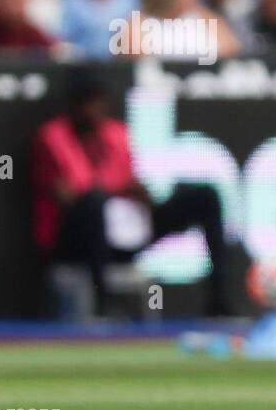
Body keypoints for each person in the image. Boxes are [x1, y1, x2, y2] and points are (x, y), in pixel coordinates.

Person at [31, 68, 234, 317]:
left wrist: (140, 196)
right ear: (71, 103)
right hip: (75, 241)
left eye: (97, 99)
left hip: (124, 230)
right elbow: (70, 198)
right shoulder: (52, 137)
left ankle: (219, 304)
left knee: (205, 196)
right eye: (84, 100)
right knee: (94, 204)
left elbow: (132, 185)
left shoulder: (118, 133)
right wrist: (115, 190)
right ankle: (103, 308)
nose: (91, 107)